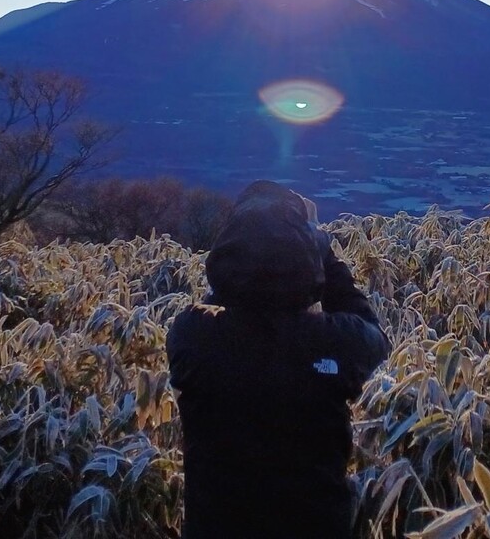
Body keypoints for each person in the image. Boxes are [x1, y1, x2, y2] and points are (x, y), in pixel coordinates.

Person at [166, 180, 392, 539]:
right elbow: (375, 337)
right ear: (306, 260)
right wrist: (321, 249)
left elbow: (221, 298)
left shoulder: (193, 336)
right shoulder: (335, 341)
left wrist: (241, 265)